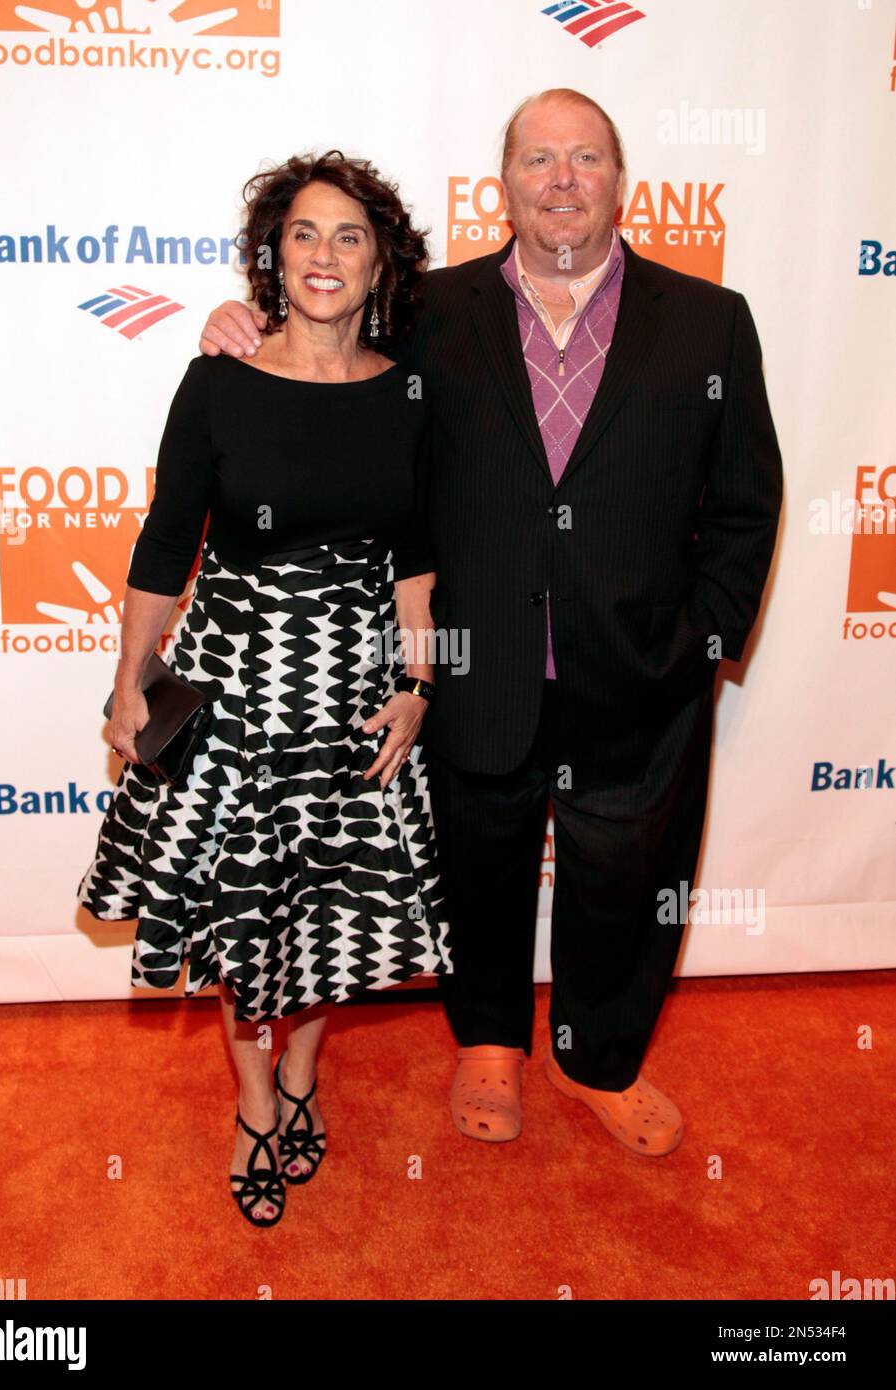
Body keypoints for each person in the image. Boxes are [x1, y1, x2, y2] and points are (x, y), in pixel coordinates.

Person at [199, 89, 783, 1158]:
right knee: (481, 866)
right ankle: (487, 1041)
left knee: (626, 877)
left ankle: (601, 1055)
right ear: (503, 181)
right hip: (475, 664)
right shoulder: (429, 314)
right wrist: (240, 325)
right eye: (537, 159)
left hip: (637, 671)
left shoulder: (710, 321)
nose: (561, 179)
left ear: (620, 178)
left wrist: (699, 642)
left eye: (586, 159)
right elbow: (326, 366)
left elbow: (745, 503)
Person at [78, 150, 452, 1227]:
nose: (324, 254)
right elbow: (165, 545)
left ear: (380, 261)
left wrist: (420, 681)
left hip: (354, 689)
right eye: (302, 233)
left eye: (348, 235)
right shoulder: (219, 378)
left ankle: (302, 1077)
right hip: (238, 687)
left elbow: (419, 558)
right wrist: (129, 684)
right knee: (246, 917)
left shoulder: (407, 392)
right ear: (272, 256)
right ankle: (253, 1105)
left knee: (326, 916)